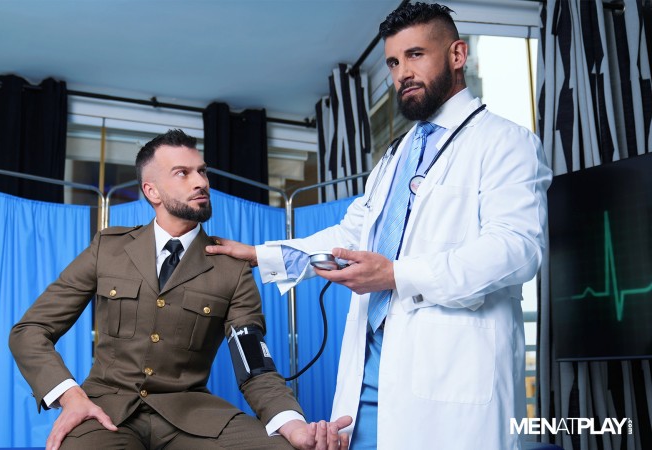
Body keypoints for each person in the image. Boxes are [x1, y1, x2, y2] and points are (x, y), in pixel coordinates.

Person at [205, 3, 552, 449]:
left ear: (457, 55)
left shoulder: (505, 142)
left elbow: (517, 250)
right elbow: (351, 236)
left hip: (451, 374)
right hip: (369, 377)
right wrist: (260, 255)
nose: (402, 72)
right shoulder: (395, 156)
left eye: (415, 55)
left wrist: (395, 275)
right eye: (393, 62)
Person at [9, 129, 351, 450]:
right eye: (182, 173)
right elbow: (30, 330)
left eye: (202, 171)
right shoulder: (108, 249)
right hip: (105, 412)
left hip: (193, 417)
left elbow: (255, 367)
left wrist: (293, 425)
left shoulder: (232, 268)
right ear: (152, 191)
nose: (201, 182)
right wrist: (71, 397)